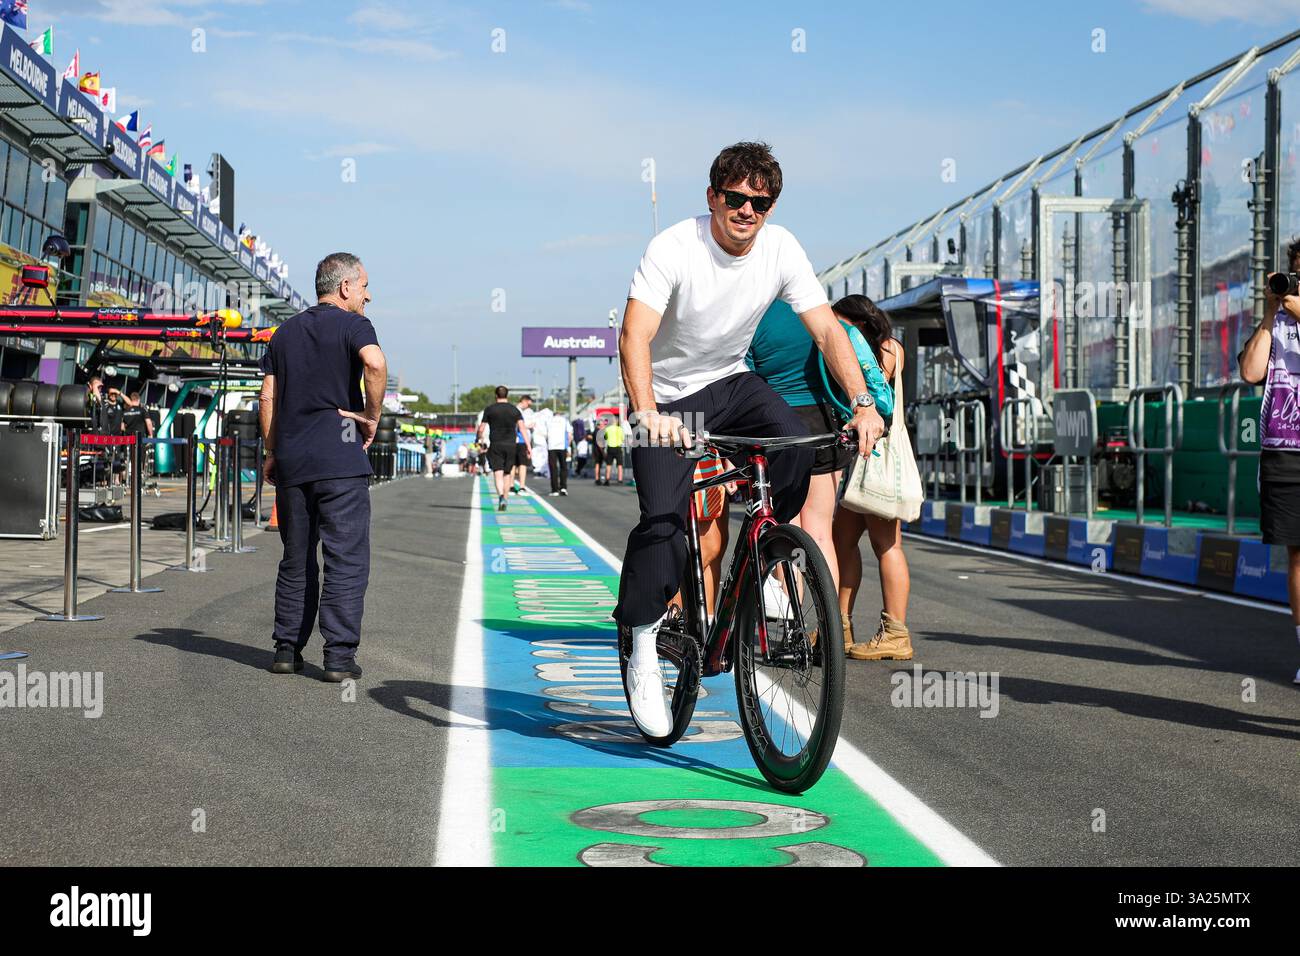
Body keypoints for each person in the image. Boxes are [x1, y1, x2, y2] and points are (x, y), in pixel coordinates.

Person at [612, 141, 885, 737]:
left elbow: (828, 332)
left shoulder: (782, 247)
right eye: (734, 199)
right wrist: (647, 410)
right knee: (663, 521)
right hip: (667, 396)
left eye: (760, 203)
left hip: (731, 384)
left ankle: (767, 557)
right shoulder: (675, 247)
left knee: (795, 443)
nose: (746, 212)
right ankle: (639, 637)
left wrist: (863, 403)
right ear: (712, 197)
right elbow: (634, 335)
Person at [258, 252, 387, 683]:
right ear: (346, 287)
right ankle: (338, 657)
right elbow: (375, 363)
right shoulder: (354, 325)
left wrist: (273, 450)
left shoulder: (284, 332)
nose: (369, 294)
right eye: (364, 285)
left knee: (296, 557)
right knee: (345, 558)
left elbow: (267, 397)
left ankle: (286, 649)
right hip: (340, 456)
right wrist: (371, 416)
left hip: (293, 460)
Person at [745, 294, 895, 655]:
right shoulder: (822, 315)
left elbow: (744, 378)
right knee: (820, 533)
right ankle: (831, 627)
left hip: (777, 426)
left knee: (786, 531)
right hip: (827, 425)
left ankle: (794, 628)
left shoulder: (754, 318)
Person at [824, 296, 913, 661]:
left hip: (878, 453)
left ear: (858, 323)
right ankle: (839, 627)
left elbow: (876, 389)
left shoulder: (889, 349)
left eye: (843, 325)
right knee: (841, 540)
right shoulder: (874, 345)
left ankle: (896, 632)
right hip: (857, 458)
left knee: (886, 544)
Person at [1238, 237, 1300, 684]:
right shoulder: (1275, 322)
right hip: (1284, 450)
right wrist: (1268, 315)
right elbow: (1250, 372)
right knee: (1299, 555)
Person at [477, 386, 531, 512]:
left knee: (498, 473)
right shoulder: (514, 410)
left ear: (496, 395)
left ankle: (501, 496)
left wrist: (479, 438)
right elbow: (522, 429)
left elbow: (481, 428)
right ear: (507, 395)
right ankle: (505, 498)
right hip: (511, 445)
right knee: (507, 474)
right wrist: (528, 446)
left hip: (496, 444)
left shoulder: (490, 409)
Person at [546, 408, 573, 496]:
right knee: (563, 467)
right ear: (560, 414)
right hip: (562, 446)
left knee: (553, 468)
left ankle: (554, 490)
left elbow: (545, 434)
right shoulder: (564, 420)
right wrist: (568, 446)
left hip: (551, 447)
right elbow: (569, 435)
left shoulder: (548, 420)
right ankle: (563, 488)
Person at [512, 394, 534, 494]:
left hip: (516, 440)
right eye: (528, 404)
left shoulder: (518, 410)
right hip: (519, 440)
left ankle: (512, 486)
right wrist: (527, 426)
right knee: (521, 464)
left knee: (514, 464)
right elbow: (518, 425)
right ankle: (521, 486)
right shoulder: (517, 410)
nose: (528, 407)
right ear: (524, 401)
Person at [599, 416, 625, 486]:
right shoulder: (620, 429)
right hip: (618, 448)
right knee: (619, 465)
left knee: (609, 464)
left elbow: (605, 437)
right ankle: (620, 480)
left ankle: (607, 480)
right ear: (617, 422)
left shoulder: (608, 429)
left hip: (610, 448)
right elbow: (623, 438)